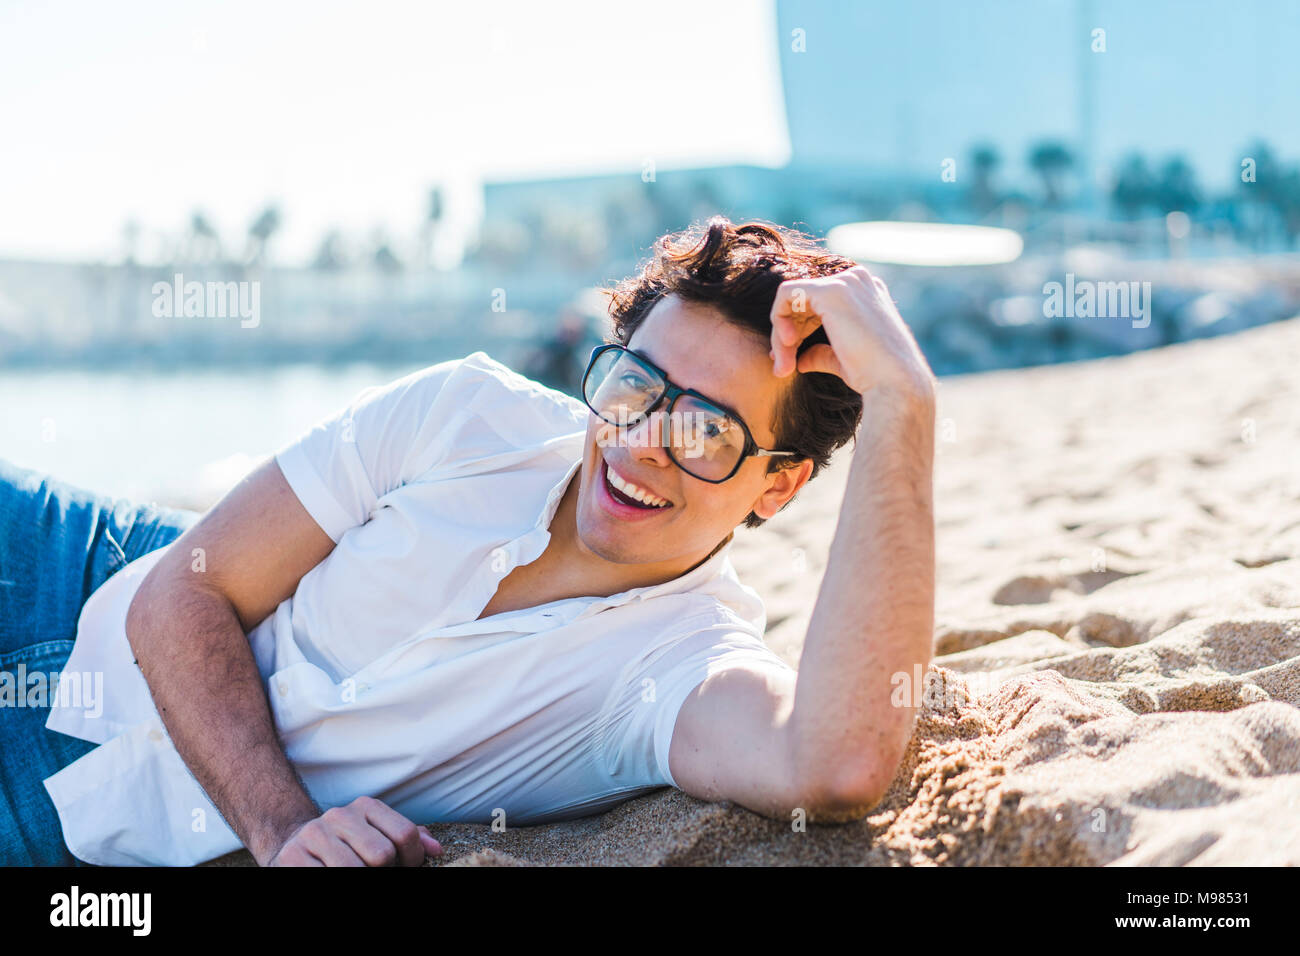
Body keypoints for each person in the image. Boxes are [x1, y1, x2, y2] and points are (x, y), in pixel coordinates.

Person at [0, 218, 936, 866]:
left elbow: (834, 763)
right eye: (633, 386)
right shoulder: (465, 410)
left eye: (703, 430)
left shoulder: (679, 669)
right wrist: (284, 829)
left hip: (53, 808)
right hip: (72, 567)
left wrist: (904, 401)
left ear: (777, 483)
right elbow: (184, 592)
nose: (640, 443)